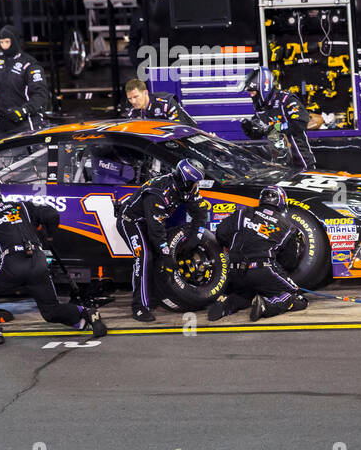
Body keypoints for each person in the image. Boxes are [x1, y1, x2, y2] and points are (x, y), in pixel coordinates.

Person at [0, 182, 106, 347]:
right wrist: (48, 238)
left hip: (12, 264)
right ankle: (86, 314)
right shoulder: (22, 206)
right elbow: (52, 214)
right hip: (39, 261)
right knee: (50, 310)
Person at [119, 158, 209, 323]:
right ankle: (139, 307)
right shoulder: (158, 192)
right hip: (131, 221)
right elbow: (156, 230)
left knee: (157, 256)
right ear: (185, 180)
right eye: (195, 181)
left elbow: (201, 211)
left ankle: (153, 295)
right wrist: (166, 253)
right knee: (144, 257)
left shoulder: (188, 188)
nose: (197, 185)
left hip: (150, 223)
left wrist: (195, 238)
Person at [208, 184, 307, 322]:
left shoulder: (243, 212)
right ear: (282, 202)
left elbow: (220, 233)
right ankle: (267, 306)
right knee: (298, 298)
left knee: (247, 294)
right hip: (261, 268)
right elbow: (290, 261)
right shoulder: (288, 227)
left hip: (233, 271)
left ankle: (227, 303)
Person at [0, 25, 50, 134]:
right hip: (4, 122)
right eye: (1, 42)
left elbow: (41, 95)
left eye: (7, 42)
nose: (4, 46)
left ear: (14, 41)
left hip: (27, 122)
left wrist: (23, 110)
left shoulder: (30, 64)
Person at [242, 66, 314, 169]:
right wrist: (249, 129)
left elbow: (300, 123)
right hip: (279, 165)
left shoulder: (286, 99)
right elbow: (260, 133)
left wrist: (276, 127)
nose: (251, 95)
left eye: (252, 92)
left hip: (302, 162)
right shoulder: (261, 107)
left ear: (262, 87)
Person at [124, 78, 197, 126]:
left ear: (145, 93)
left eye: (136, 97)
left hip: (189, 135)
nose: (133, 101)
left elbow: (181, 128)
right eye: (130, 98)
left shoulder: (165, 103)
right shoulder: (132, 112)